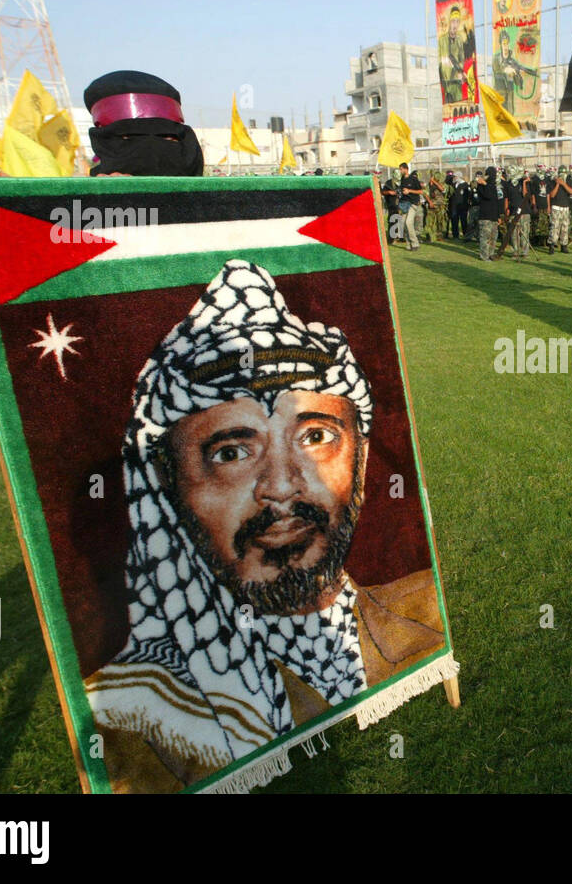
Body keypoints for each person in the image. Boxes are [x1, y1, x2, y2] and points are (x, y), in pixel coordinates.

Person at [85, 260, 444, 792]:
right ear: (168, 481)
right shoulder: (133, 713)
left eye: (316, 438)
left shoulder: (420, 615)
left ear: (362, 460)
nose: (281, 486)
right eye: (232, 451)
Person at [83, 70, 204, 177]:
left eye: (168, 137)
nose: (154, 145)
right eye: (134, 136)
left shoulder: (211, 194)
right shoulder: (81, 198)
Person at [475, 166, 502, 260]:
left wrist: (498, 216)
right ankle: (484, 256)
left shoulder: (493, 185)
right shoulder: (482, 185)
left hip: (494, 215)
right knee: (485, 237)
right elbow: (488, 196)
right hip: (485, 216)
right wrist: (484, 184)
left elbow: (496, 201)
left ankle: (491, 254)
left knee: (493, 237)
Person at [398, 163, 423, 251]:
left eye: (401, 169)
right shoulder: (402, 179)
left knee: (409, 222)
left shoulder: (413, 179)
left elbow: (420, 191)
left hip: (413, 203)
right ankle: (409, 244)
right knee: (404, 224)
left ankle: (415, 243)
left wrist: (409, 191)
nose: (400, 171)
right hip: (404, 204)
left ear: (406, 169)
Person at [549, 166, 572, 254]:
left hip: (565, 207)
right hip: (556, 207)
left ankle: (564, 246)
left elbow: (571, 192)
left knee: (565, 227)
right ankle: (552, 245)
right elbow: (552, 195)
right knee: (555, 227)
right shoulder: (553, 181)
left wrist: (563, 184)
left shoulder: (569, 181)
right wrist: (558, 184)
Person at [531, 165, 551, 251]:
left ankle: (544, 241)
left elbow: (548, 194)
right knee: (537, 223)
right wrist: (534, 205)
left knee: (545, 223)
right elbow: (533, 194)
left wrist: (548, 206)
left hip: (545, 205)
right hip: (538, 205)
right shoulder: (535, 179)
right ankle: (536, 240)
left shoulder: (546, 179)